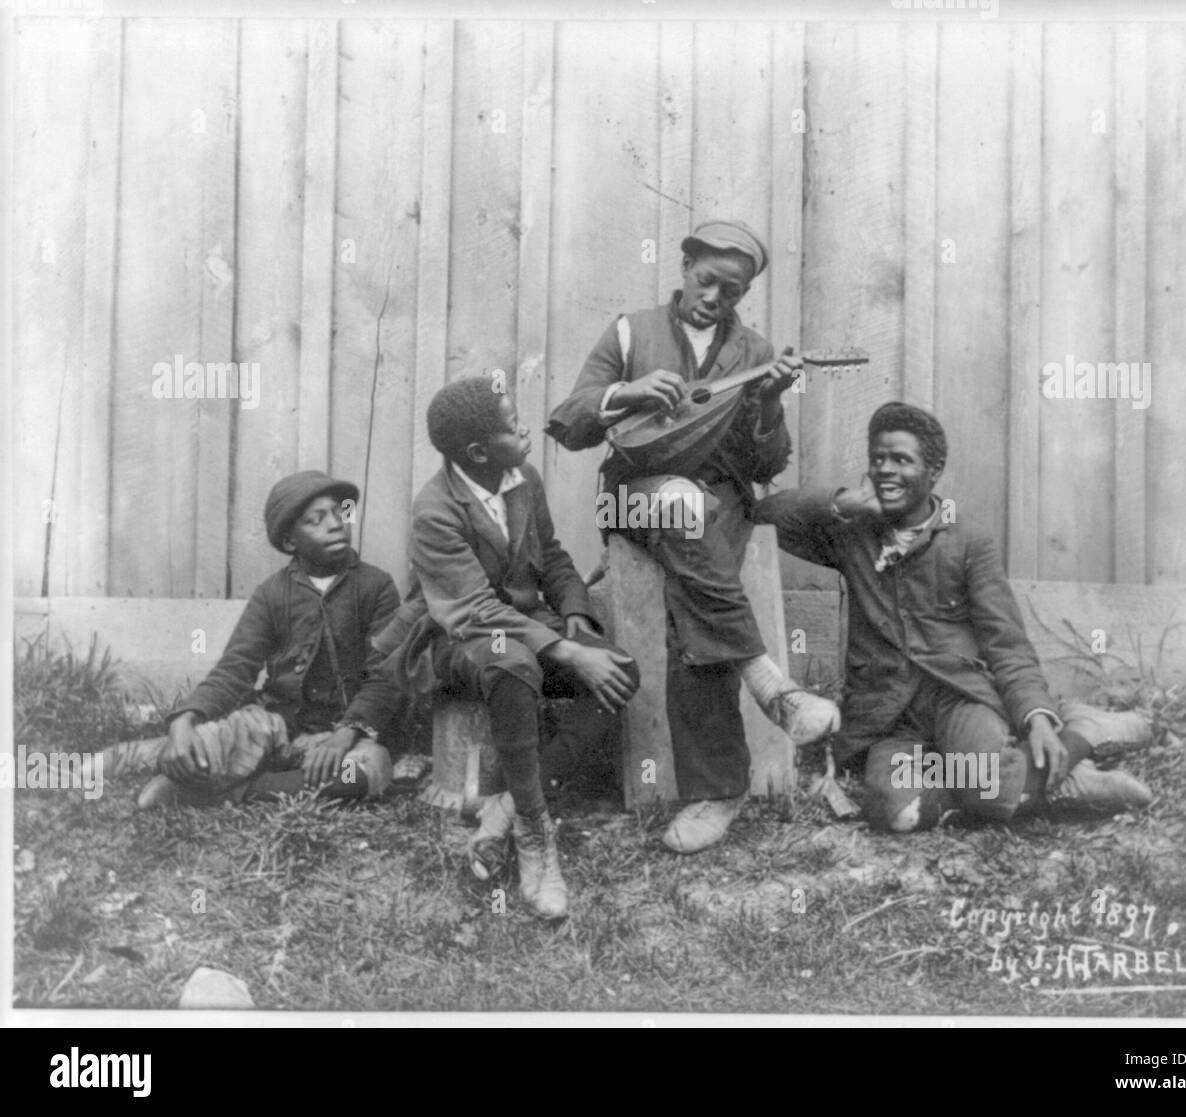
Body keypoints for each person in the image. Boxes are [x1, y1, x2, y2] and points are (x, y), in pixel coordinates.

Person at [546, 219, 841, 855]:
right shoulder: (631, 331)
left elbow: (764, 467)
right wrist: (623, 393)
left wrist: (766, 402)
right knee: (678, 507)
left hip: (720, 503)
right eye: (706, 281)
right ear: (684, 268)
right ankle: (770, 686)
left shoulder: (754, 352)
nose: (714, 298)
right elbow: (569, 425)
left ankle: (718, 791)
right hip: (634, 495)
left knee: (692, 608)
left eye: (731, 291)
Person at [754, 401, 1153, 831]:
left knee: (989, 784)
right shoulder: (852, 534)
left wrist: (1036, 716)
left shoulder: (967, 541)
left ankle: (1080, 735)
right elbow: (767, 513)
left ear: (934, 470)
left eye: (902, 460)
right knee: (896, 811)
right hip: (889, 714)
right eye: (878, 459)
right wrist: (846, 502)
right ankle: (1034, 788)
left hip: (957, 697)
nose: (886, 470)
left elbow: (1006, 643)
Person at [375, 377, 638, 921]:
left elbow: (557, 558)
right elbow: (476, 611)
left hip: (523, 625)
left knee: (618, 671)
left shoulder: (523, 479)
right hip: (458, 638)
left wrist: (577, 623)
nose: (524, 429)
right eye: (512, 424)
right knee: (514, 663)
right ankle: (536, 836)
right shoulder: (435, 510)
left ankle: (507, 807)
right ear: (476, 452)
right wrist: (565, 653)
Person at [104, 471, 403, 809]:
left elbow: (386, 676)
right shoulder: (273, 594)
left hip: (347, 737)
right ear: (291, 542)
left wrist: (345, 734)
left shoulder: (376, 587)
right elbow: (235, 669)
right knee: (205, 743)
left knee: (364, 773)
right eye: (315, 520)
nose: (335, 524)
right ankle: (98, 764)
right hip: (277, 726)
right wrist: (184, 720)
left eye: (339, 513)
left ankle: (221, 791)